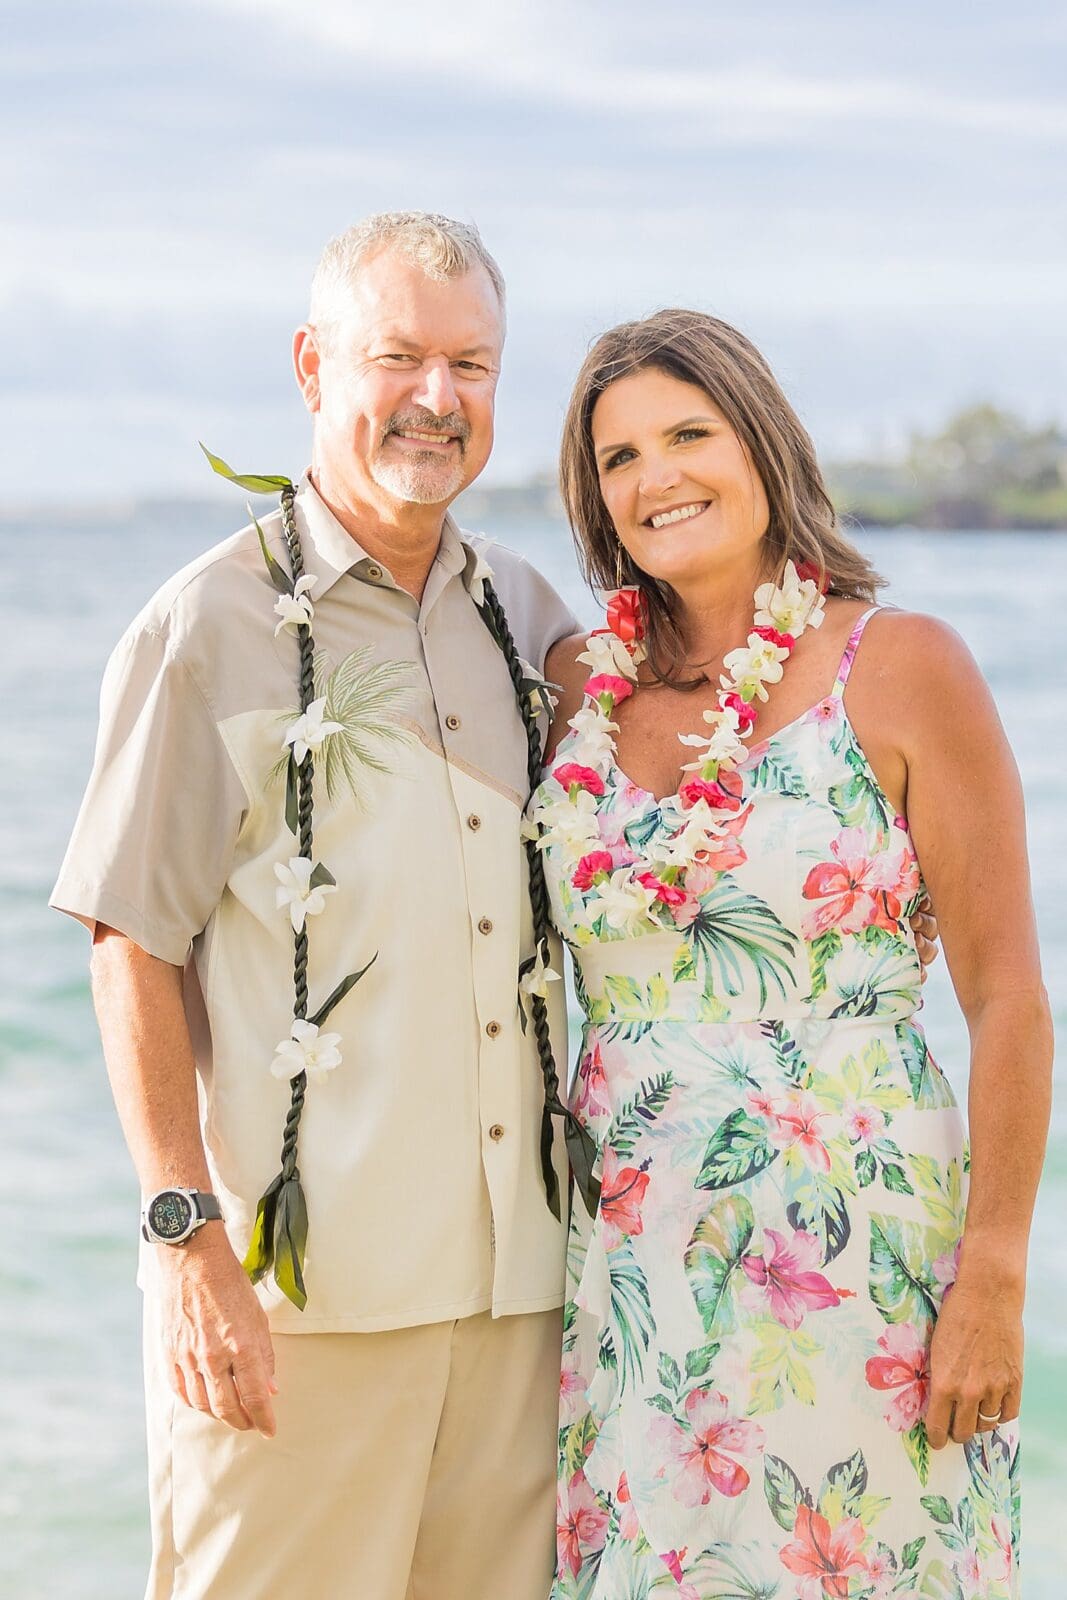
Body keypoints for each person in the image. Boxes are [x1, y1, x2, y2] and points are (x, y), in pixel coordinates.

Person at [50, 212, 587, 1600]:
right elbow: (131, 939)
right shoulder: (206, 624)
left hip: (521, 1303)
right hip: (295, 1314)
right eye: (398, 354)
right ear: (312, 366)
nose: (436, 397)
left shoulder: (533, 623)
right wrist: (186, 1245)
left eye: (471, 363)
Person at [534, 309, 1051, 1599]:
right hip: (632, 1255)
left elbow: (1007, 993)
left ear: (763, 444)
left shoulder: (905, 667)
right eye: (619, 458)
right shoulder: (577, 690)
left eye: (688, 435)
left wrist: (994, 1269)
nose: (657, 479)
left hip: (857, 1254)